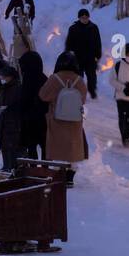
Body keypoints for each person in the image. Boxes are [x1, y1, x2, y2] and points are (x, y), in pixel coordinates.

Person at [38, 52, 88, 181]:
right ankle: (70, 174)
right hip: (75, 119)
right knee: (72, 147)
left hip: (57, 118)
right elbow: (83, 99)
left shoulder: (55, 78)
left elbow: (43, 95)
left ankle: (58, 173)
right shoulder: (79, 80)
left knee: (57, 146)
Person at [0, 62, 24, 172]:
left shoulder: (16, 88)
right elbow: (1, 100)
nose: (1, 78)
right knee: (5, 144)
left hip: (13, 120)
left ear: (10, 76)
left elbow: (16, 104)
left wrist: (7, 109)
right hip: (5, 120)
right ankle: (6, 166)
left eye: (4, 76)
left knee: (11, 144)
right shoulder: (5, 87)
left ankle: (12, 166)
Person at [64, 8, 102, 98]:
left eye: (86, 17)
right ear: (79, 18)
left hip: (90, 57)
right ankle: (79, 91)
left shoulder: (93, 28)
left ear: (88, 17)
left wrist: (98, 54)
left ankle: (92, 90)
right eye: (82, 17)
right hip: (77, 57)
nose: (84, 19)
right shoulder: (73, 28)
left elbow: (98, 42)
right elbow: (69, 43)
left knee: (92, 76)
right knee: (78, 76)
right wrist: (68, 54)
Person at [17, 50, 48, 160]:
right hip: (43, 120)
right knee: (44, 146)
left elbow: (24, 99)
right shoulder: (44, 78)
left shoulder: (28, 79)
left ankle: (33, 170)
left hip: (30, 120)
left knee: (31, 147)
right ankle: (45, 170)